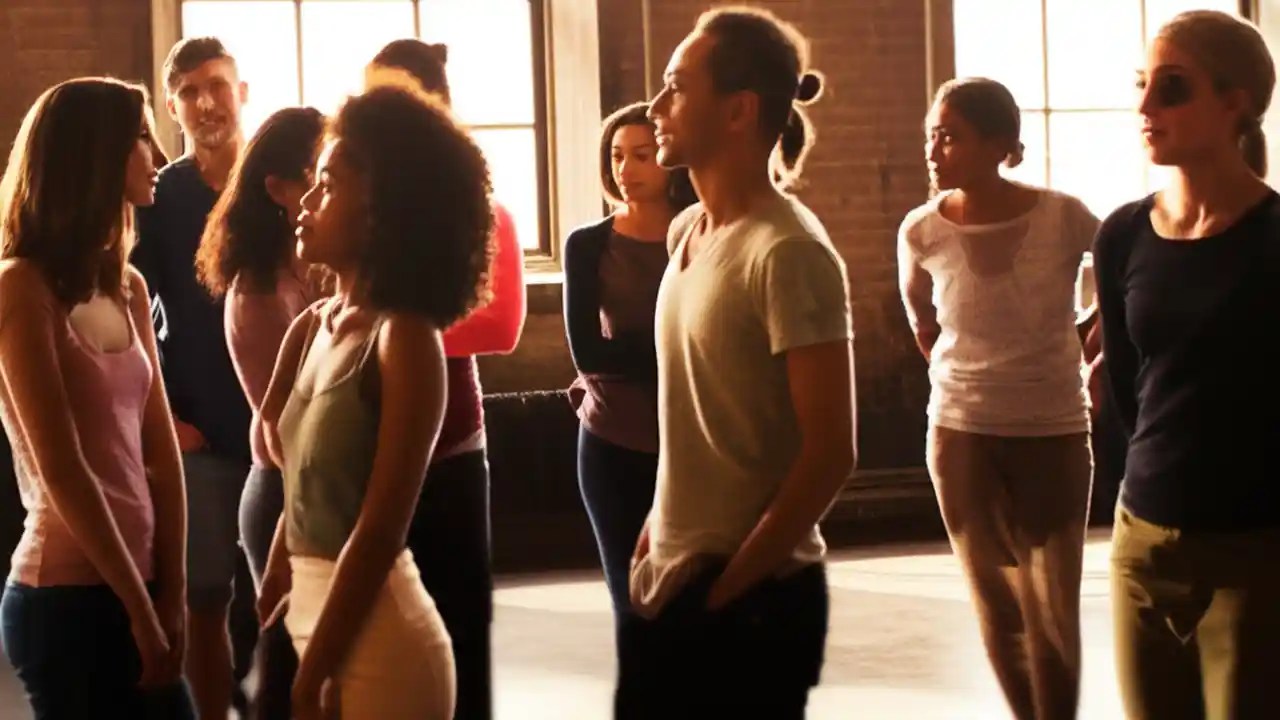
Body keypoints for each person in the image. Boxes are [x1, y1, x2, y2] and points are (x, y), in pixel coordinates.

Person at [630, 7, 857, 716]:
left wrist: (731, 587)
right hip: (672, 576)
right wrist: (657, 530)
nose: (656, 106)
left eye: (676, 87)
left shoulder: (788, 251)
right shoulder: (686, 233)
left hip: (753, 600)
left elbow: (832, 452)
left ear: (739, 111)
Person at [256, 76, 493, 720]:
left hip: (378, 646)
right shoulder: (313, 325)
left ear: (385, 208)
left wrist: (317, 665)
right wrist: (279, 566)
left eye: (329, 185)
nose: (307, 200)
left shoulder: (404, 338)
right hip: (308, 616)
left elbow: (381, 527)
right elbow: (306, 480)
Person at [1094, 11, 1280, 718]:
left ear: (1234, 103)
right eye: (1141, 84)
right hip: (1143, 546)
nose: (1145, 105)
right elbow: (1129, 391)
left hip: (1256, 553)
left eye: (1171, 87)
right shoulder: (1122, 235)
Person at [897, 77, 1098, 720]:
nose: (934, 150)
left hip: (1053, 425)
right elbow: (919, 316)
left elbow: (1122, 276)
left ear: (998, 144)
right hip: (961, 430)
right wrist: (962, 372)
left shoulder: (1063, 215)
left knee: (1052, 601)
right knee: (996, 598)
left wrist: (1092, 339)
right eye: (931, 136)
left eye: (949, 137)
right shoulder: (922, 229)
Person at [0, 76, 194, 718]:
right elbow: (62, 468)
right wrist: (139, 607)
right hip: (66, 596)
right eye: (141, 137)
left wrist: (173, 591)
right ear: (94, 154)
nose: (159, 156)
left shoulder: (128, 286)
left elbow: (160, 452)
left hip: (143, 583)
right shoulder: (21, 288)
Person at [365, 38, 527, 720]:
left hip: (453, 448)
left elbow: (501, 327)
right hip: (364, 455)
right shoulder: (355, 213)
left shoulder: (484, 213)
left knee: (461, 632)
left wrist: (393, 333)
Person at [131, 36, 257, 719]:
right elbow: (130, 316)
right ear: (172, 107)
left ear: (243, 92)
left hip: (282, 430)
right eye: (188, 92)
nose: (205, 102)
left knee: (291, 597)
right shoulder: (159, 198)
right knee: (204, 600)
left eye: (216, 85)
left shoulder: (277, 181)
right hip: (198, 430)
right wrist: (166, 419)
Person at [562, 100, 696, 712]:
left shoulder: (700, 231)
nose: (627, 168)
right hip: (612, 439)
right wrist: (675, 351)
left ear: (669, 161)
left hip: (693, 440)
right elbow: (590, 351)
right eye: (617, 156)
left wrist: (653, 354)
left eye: (642, 155)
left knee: (691, 606)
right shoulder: (587, 245)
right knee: (632, 603)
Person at [195, 105, 327, 720]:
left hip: (312, 489)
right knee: (293, 682)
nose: (330, 189)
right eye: (318, 175)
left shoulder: (314, 268)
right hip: (285, 492)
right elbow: (289, 432)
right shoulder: (260, 293)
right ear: (279, 190)